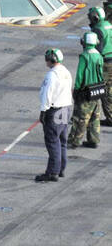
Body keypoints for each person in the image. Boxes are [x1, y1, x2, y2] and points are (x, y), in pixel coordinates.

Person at [36, 48, 74, 182]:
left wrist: (43, 111)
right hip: (66, 108)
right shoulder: (66, 72)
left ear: (51, 59)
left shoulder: (51, 75)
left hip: (55, 110)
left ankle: (52, 172)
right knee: (62, 141)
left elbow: (47, 95)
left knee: (52, 141)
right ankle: (61, 168)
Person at [69, 32, 105, 149]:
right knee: (95, 116)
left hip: (85, 90)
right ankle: (93, 140)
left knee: (80, 116)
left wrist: (77, 90)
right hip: (97, 89)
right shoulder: (99, 55)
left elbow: (80, 75)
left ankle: (75, 140)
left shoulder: (85, 56)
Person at [90, 6, 112, 127]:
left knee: (100, 89)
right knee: (109, 89)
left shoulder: (98, 29)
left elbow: (98, 49)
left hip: (105, 62)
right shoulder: (108, 24)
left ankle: (90, 116)